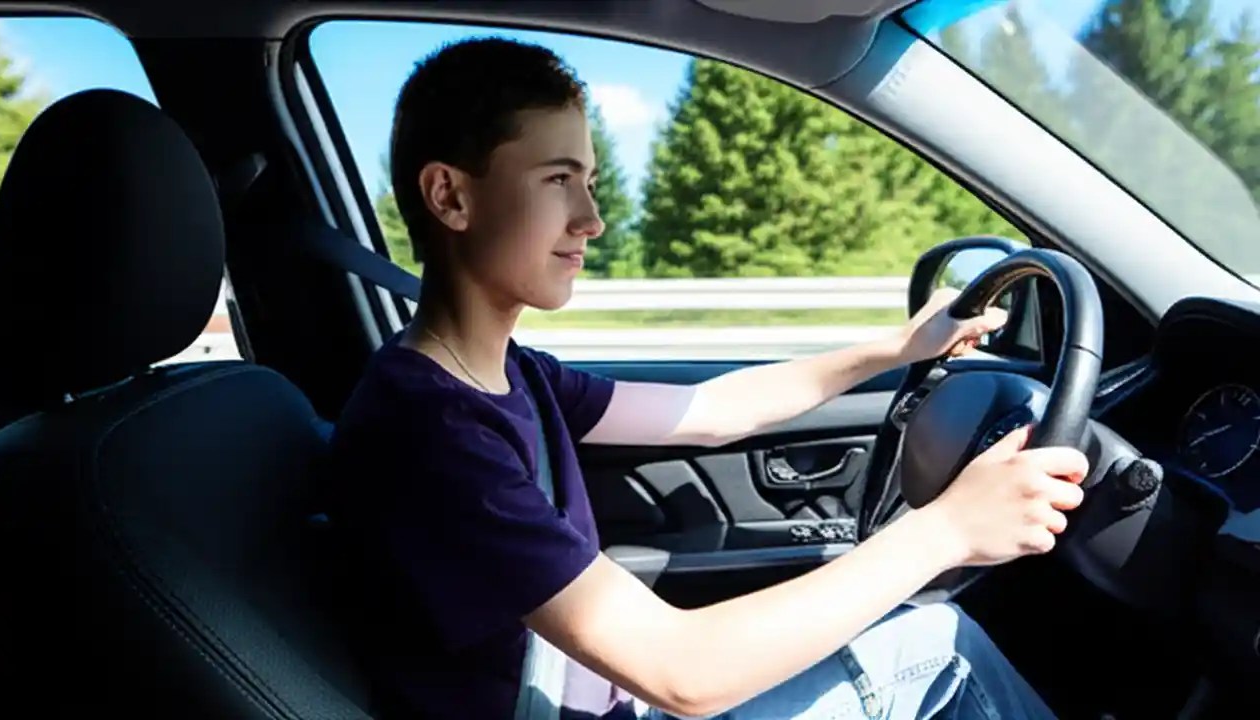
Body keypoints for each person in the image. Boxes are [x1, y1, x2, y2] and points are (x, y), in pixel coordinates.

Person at [326, 37, 1089, 720]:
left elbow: (711, 409)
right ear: (450, 196)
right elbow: (684, 673)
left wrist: (898, 346)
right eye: (559, 178)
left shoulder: (510, 374)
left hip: (604, 701)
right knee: (940, 646)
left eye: (589, 180)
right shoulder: (429, 428)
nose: (592, 218)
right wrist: (949, 529)